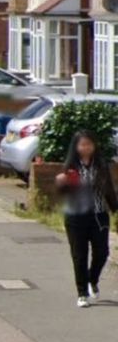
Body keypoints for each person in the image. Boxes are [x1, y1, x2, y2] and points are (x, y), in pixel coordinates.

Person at [55, 131, 118, 308]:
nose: (86, 148)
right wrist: (61, 184)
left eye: (89, 144)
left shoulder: (101, 165)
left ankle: (92, 279)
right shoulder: (70, 167)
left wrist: (115, 208)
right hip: (76, 216)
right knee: (79, 255)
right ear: (76, 147)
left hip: (99, 214)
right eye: (82, 144)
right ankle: (82, 293)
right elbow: (63, 194)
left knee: (102, 252)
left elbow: (109, 189)